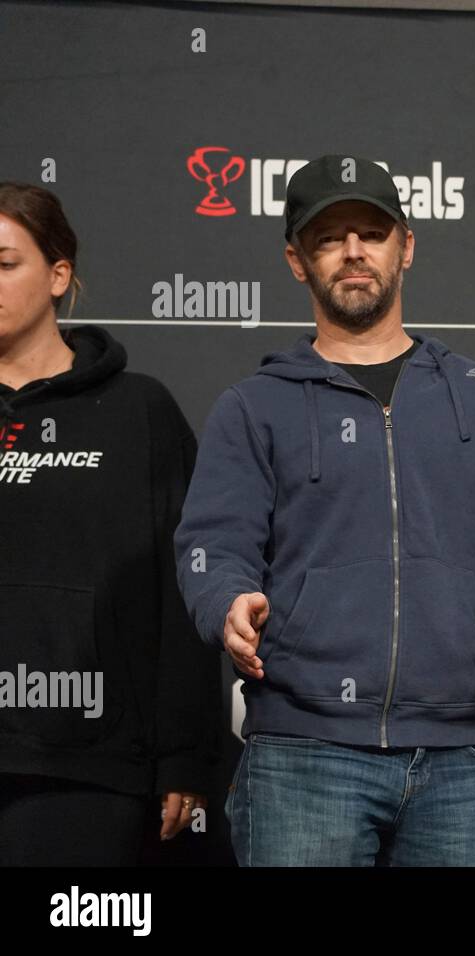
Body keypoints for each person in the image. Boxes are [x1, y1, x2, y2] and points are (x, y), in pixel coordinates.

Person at [174, 155, 475, 866]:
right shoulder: (254, 406)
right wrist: (225, 601)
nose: (352, 252)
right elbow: (213, 543)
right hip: (304, 753)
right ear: (296, 260)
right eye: (328, 237)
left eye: (370, 233)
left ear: (405, 246)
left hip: (460, 759)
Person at [0, 182, 221, 865]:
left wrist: (184, 752)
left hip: (88, 766)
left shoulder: (140, 411)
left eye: (5, 263)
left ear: (59, 275)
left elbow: (184, 584)